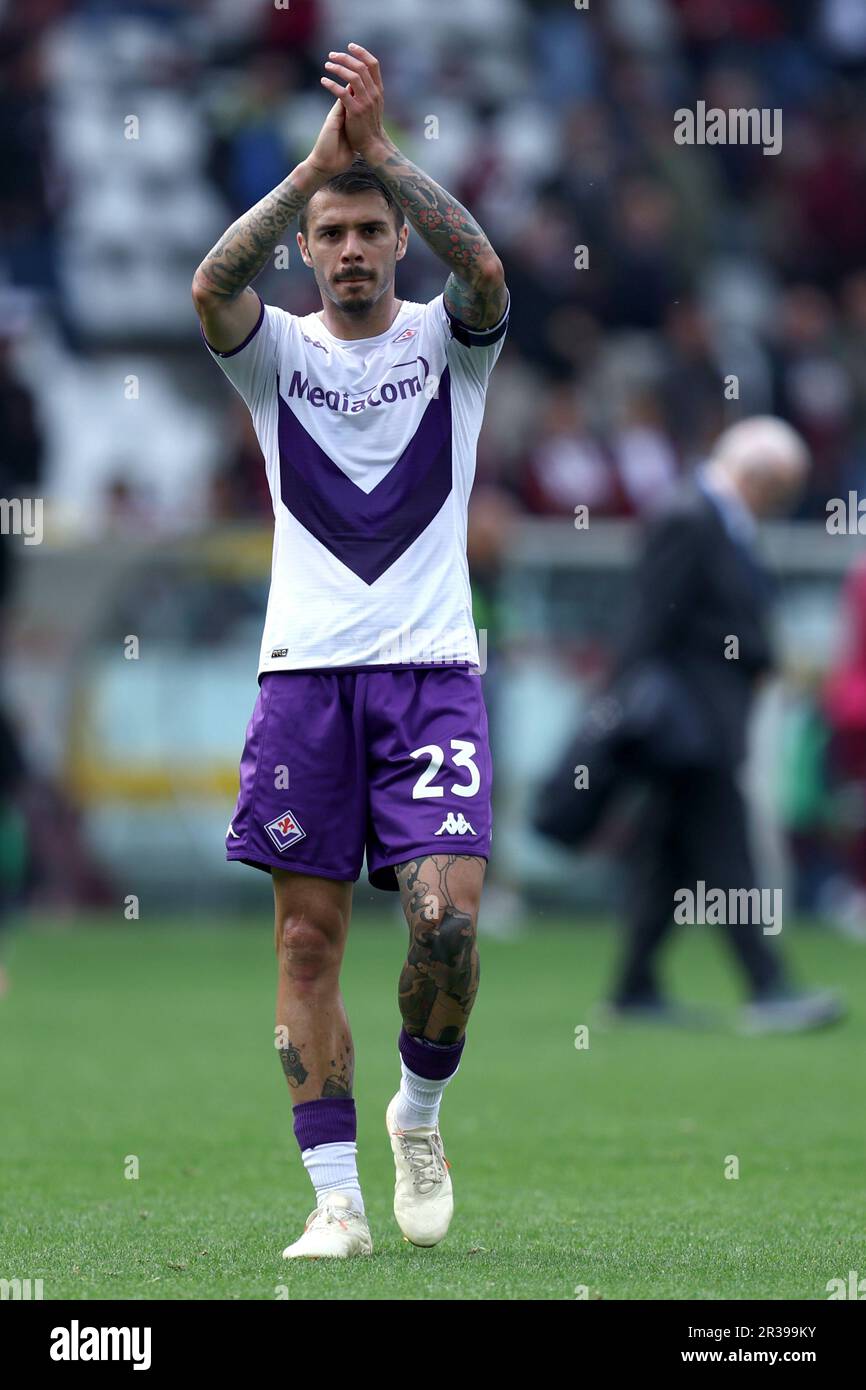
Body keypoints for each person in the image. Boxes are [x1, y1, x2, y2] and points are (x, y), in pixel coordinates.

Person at [191, 44, 508, 1259]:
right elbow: (206, 287)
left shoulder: (449, 345)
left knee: (445, 925)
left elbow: (484, 265)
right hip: (304, 680)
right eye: (333, 233)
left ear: (397, 236)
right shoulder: (274, 353)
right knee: (306, 940)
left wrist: (381, 156)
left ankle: (416, 1114)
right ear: (308, 250)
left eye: (372, 227)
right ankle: (335, 1202)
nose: (356, 247)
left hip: (431, 672)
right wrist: (310, 171)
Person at [535, 417, 845, 1035]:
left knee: (667, 858)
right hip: (689, 731)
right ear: (759, 477)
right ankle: (767, 987)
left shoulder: (711, 519)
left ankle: (632, 989)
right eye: (780, 489)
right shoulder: (690, 518)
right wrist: (618, 708)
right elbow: (650, 621)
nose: (781, 504)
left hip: (697, 729)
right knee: (728, 856)